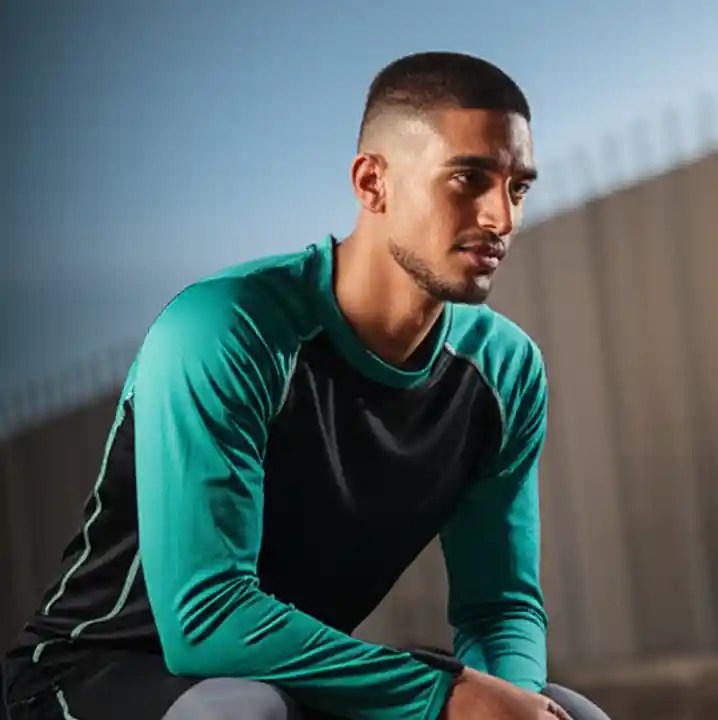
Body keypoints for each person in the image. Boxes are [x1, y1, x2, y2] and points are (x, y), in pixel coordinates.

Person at [2, 51, 609, 720]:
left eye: (518, 187)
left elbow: (500, 606)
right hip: (94, 675)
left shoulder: (505, 372)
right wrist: (446, 695)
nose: (502, 217)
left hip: (286, 679)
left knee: (566, 711)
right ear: (372, 183)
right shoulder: (225, 329)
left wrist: (517, 705)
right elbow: (206, 618)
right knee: (241, 713)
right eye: (468, 179)